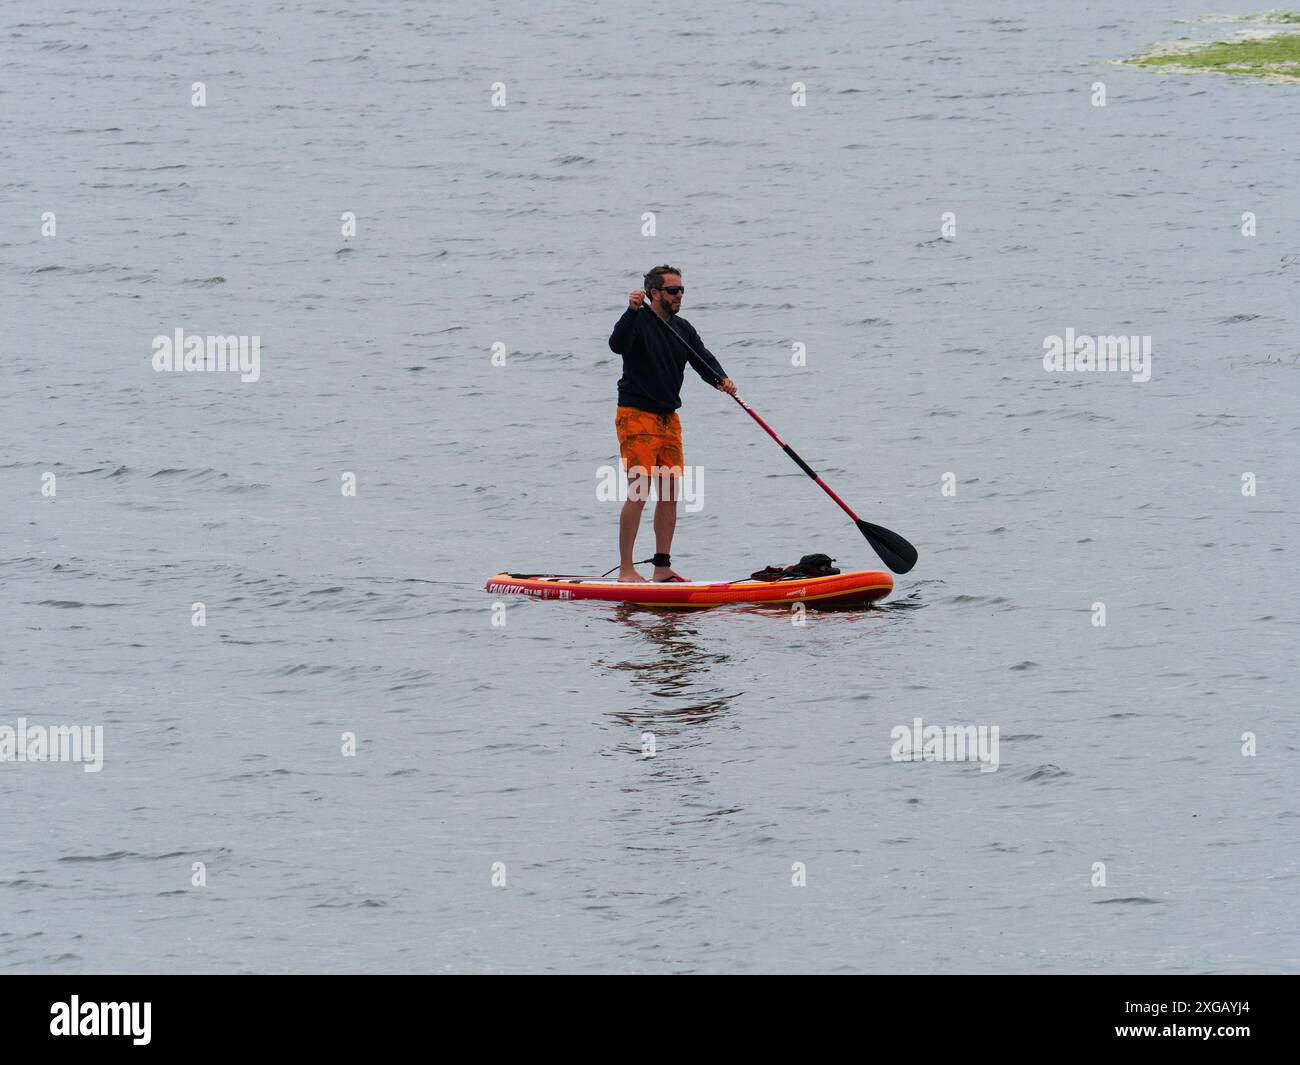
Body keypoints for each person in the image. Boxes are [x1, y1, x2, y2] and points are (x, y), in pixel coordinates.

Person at [608, 265, 737, 582]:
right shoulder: (637, 322)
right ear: (655, 293)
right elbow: (617, 344)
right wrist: (630, 310)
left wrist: (721, 379)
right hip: (636, 415)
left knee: (669, 493)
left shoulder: (683, 328)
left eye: (681, 290)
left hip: (668, 419)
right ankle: (627, 569)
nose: (679, 295)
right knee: (639, 490)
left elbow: (702, 357)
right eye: (672, 290)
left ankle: (661, 568)